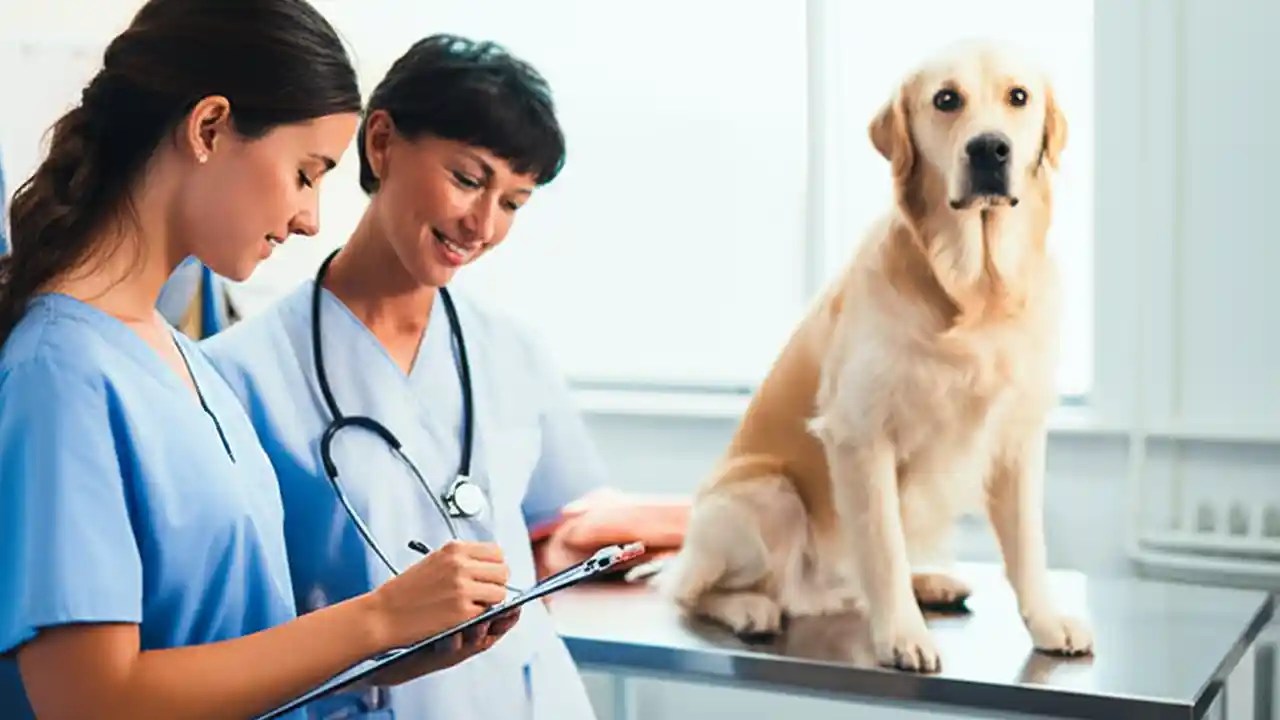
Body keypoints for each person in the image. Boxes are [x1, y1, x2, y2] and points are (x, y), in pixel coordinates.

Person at [0, 4, 519, 719]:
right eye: (306, 174)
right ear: (209, 128)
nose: (311, 219)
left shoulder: (180, 361)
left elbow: (219, 645)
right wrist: (375, 620)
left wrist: (385, 653)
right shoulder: (60, 373)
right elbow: (91, 700)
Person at [201, 34, 625, 719]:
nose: (482, 225)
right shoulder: (238, 376)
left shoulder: (512, 351)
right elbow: (233, 626)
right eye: (468, 179)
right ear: (381, 143)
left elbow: (558, 529)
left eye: (513, 203)